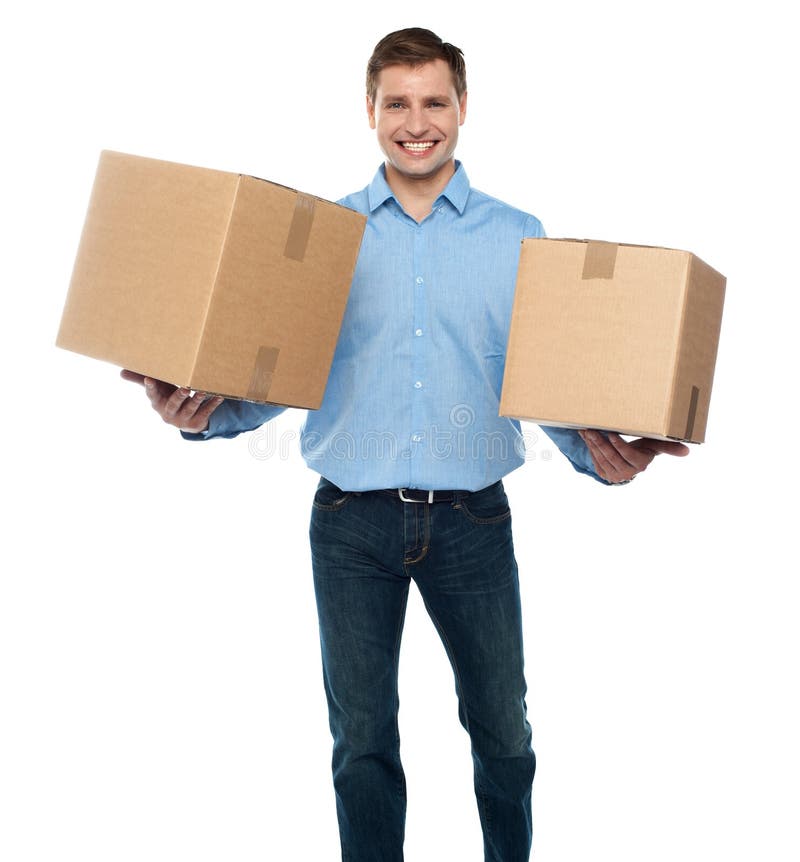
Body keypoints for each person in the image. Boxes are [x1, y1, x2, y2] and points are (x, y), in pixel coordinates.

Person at [122, 27, 689, 862]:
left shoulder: (520, 237)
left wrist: (603, 457)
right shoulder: (321, 237)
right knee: (361, 747)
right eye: (398, 102)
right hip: (350, 526)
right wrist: (202, 417)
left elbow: (551, 382)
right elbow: (276, 373)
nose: (415, 122)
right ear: (370, 110)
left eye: (434, 102)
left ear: (463, 109)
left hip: (475, 527)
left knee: (503, 732)